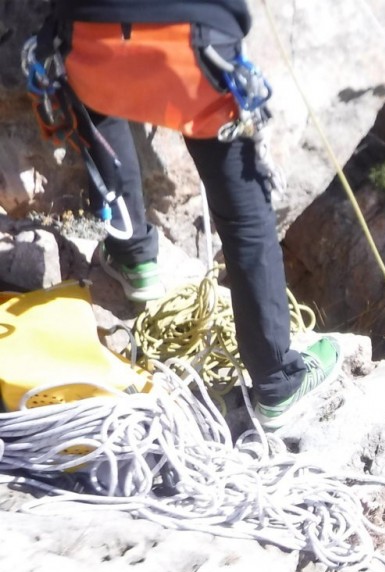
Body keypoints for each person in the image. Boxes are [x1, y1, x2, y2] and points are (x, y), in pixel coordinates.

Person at [28, 0, 340, 430]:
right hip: (194, 48)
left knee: (94, 89)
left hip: (89, 43)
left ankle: (133, 256)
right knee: (243, 213)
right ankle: (276, 379)